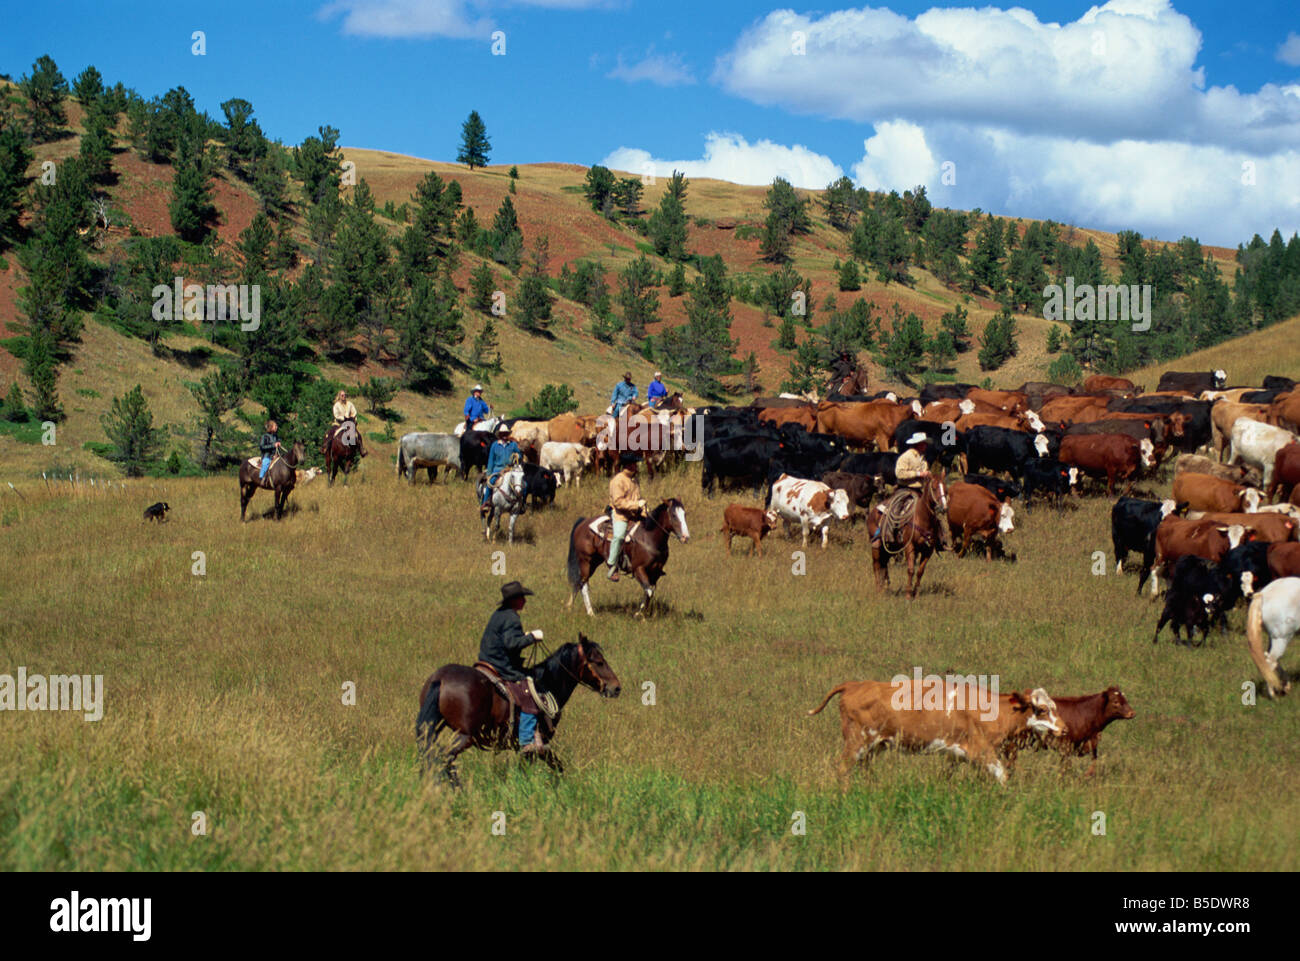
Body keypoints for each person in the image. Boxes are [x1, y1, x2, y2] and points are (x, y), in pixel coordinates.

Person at [477, 580, 547, 753]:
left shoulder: (500, 614)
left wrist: (522, 636)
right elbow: (511, 644)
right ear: (514, 599)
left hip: (487, 660)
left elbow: (507, 639)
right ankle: (526, 740)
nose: (525, 600)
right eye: (522, 597)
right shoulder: (512, 617)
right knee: (529, 692)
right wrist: (531, 637)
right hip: (501, 665)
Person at [873, 432, 952, 548]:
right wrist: (919, 474)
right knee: (895, 509)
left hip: (919, 490)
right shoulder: (906, 457)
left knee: (932, 512)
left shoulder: (923, 459)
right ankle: (886, 534)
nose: (925, 446)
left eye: (925, 443)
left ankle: (940, 539)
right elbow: (899, 473)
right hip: (904, 489)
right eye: (923, 443)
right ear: (918, 444)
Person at [607, 452, 646, 581]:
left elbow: (637, 497)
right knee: (618, 536)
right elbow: (618, 503)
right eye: (634, 464)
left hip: (634, 514)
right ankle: (612, 565)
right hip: (621, 515)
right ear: (628, 466)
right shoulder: (618, 481)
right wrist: (636, 505)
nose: (636, 467)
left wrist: (644, 508)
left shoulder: (634, 480)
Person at [481, 422, 520, 515]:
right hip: (498, 470)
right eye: (503, 434)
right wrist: (489, 474)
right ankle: (486, 503)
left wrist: (518, 456)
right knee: (490, 483)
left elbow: (520, 455)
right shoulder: (495, 445)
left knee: (523, 483)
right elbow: (491, 460)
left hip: (511, 469)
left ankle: (521, 504)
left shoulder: (513, 445)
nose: (504, 436)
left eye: (506, 434)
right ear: (500, 435)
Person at [327, 389, 367, 458]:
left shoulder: (349, 404)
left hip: (349, 423)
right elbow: (336, 415)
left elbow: (354, 412)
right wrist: (343, 418)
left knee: (358, 434)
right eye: (342, 395)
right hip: (339, 423)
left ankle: (361, 450)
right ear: (339, 396)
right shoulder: (336, 405)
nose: (344, 397)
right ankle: (326, 448)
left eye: (345, 395)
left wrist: (352, 418)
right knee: (331, 433)